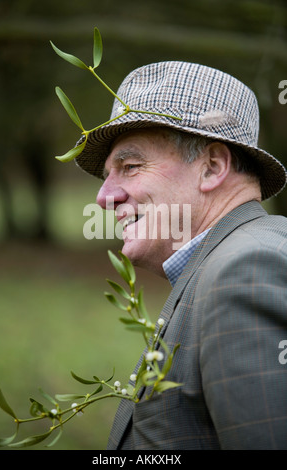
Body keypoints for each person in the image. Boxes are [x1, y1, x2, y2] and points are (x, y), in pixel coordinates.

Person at [75, 61, 287, 450]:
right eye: (108, 174)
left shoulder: (245, 271)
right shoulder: (233, 258)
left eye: (130, 166)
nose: (104, 198)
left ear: (212, 167)